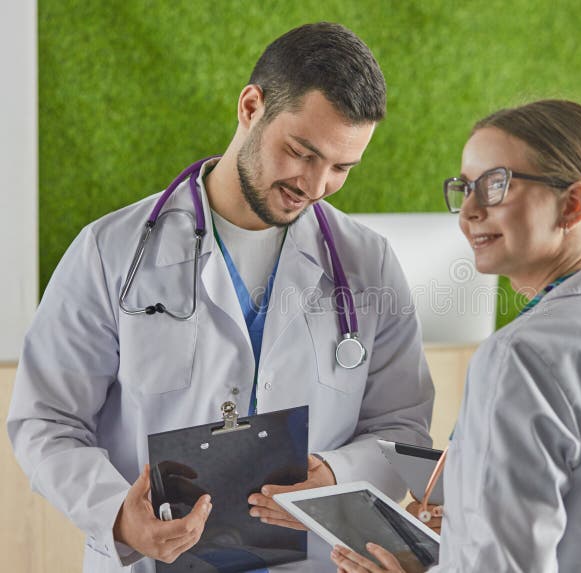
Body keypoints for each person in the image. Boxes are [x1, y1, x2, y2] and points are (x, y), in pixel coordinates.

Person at [7, 22, 434, 572]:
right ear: (251, 107)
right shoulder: (109, 251)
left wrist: (332, 473)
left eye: (341, 168)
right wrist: (117, 514)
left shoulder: (366, 264)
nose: (316, 183)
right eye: (302, 152)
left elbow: (401, 428)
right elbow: (47, 420)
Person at [331, 100, 581, 572]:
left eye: (496, 185)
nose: (469, 211)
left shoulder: (519, 356)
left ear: (572, 205)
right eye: (465, 188)